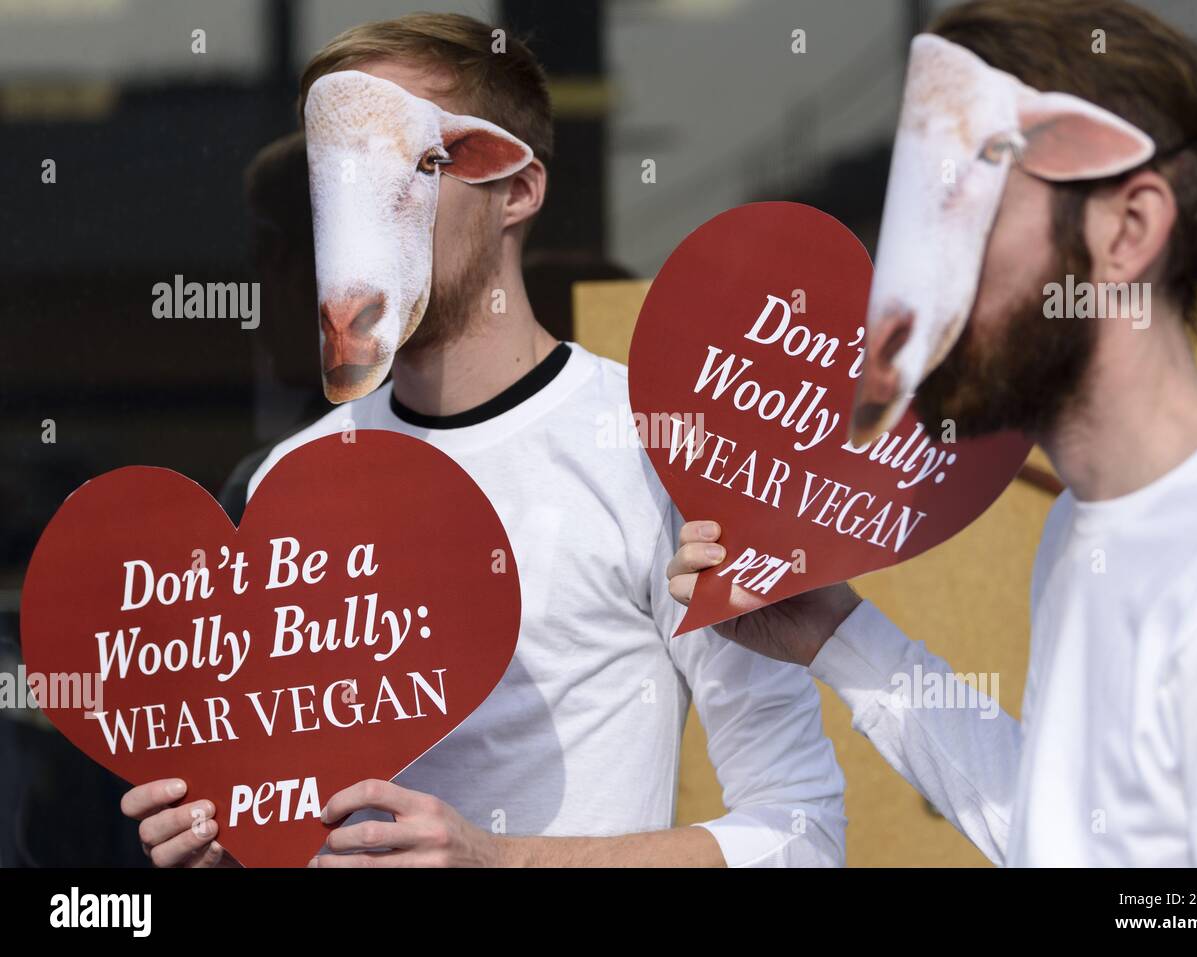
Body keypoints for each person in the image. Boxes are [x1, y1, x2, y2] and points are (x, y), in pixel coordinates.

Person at [122, 13, 846, 868]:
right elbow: (283, 811)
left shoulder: (657, 453)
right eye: (333, 175)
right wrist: (223, 849)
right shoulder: (293, 476)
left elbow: (802, 831)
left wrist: (498, 858)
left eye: (405, 166)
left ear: (516, 186)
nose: (354, 212)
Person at [669, 0, 1197, 866]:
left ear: (1129, 229)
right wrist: (837, 634)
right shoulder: (1092, 524)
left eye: (968, 207)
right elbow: (1063, 838)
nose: (912, 284)